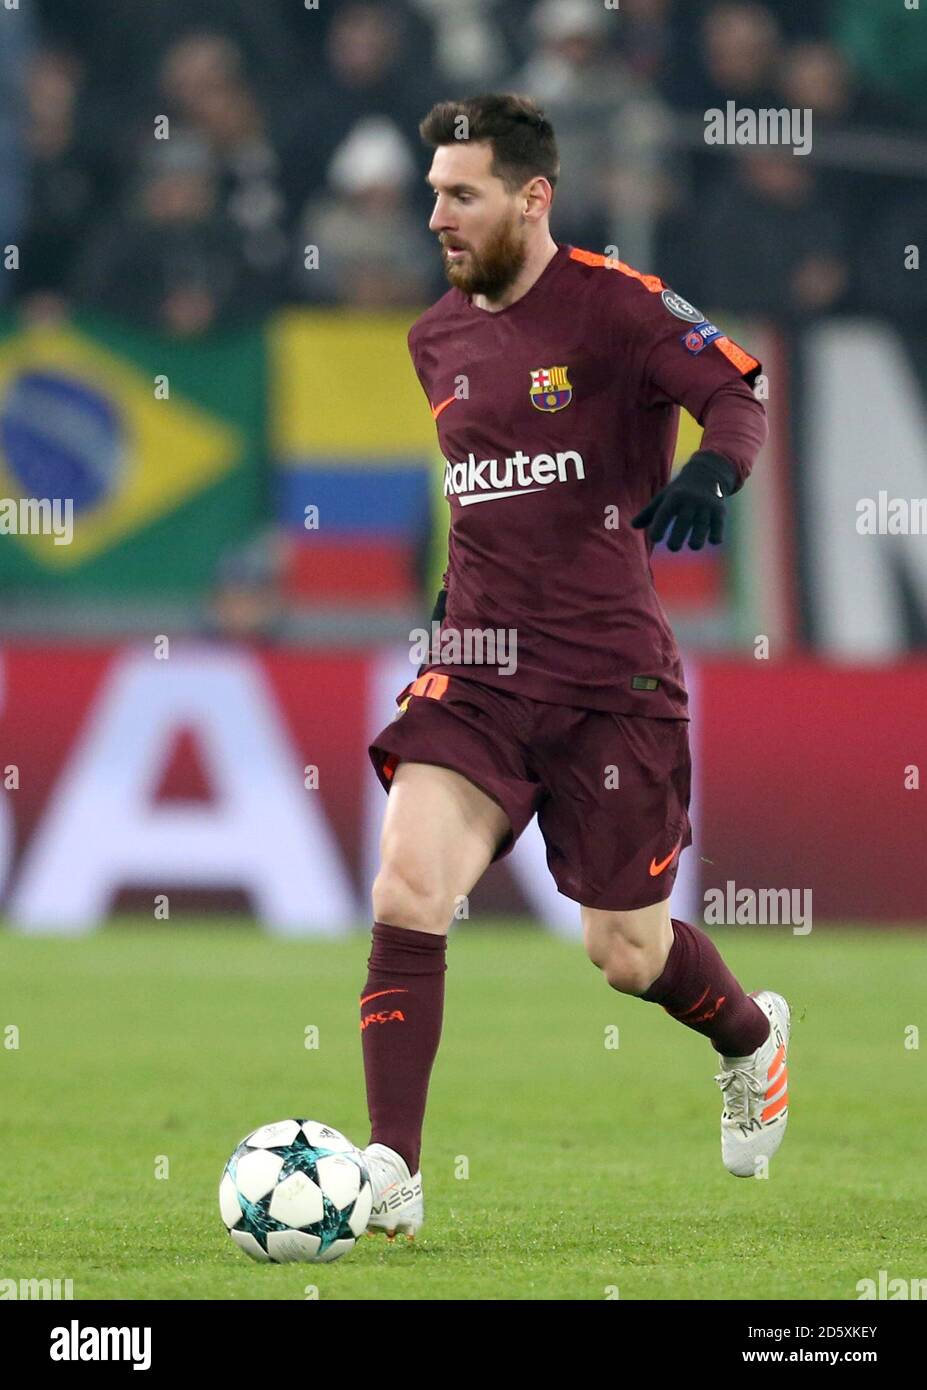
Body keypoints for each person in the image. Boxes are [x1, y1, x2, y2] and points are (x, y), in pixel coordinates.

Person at [360, 93, 787, 1240]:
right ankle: (392, 1167)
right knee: (409, 886)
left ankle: (751, 1036)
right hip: (480, 669)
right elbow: (488, 486)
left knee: (625, 950)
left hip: (612, 683)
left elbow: (736, 390)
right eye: (434, 192)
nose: (437, 215)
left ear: (532, 196)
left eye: (463, 194)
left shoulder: (618, 304)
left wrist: (713, 473)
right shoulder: (433, 338)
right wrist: (458, 597)